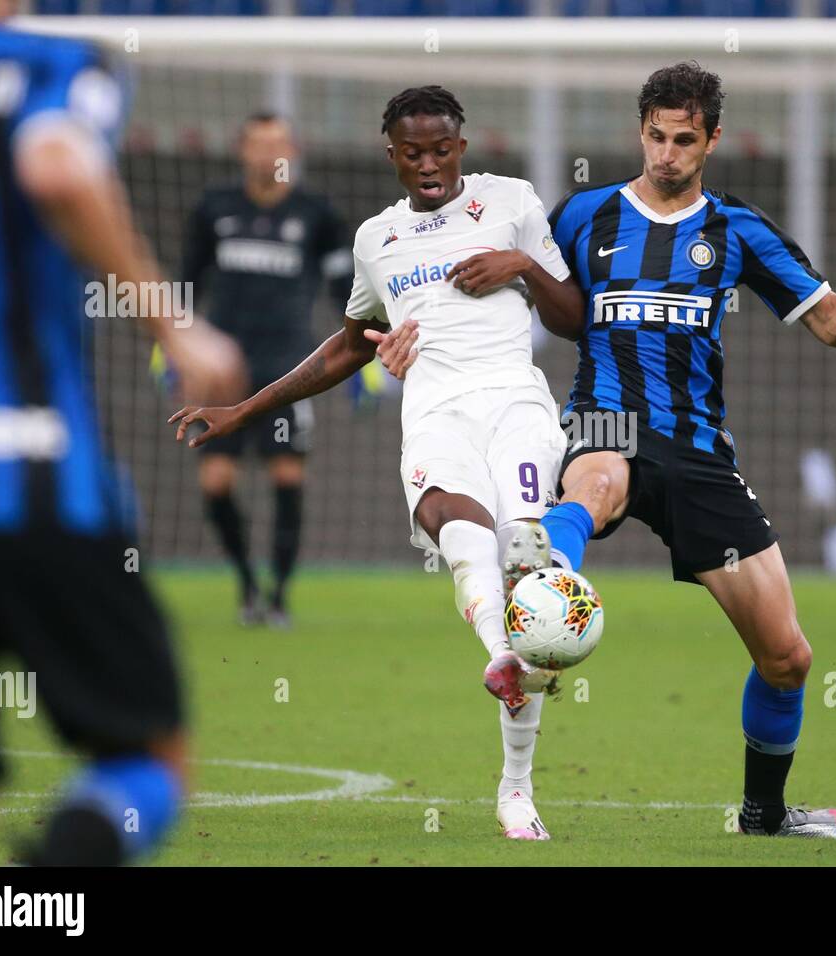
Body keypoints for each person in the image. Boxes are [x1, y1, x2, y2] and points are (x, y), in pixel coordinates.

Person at [376, 63, 836, 839]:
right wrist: (413, 336)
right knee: (594, 480)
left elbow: (834, 324)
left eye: (683, 140)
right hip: (606, 423)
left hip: (699, 453)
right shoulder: (584, 215)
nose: (666, 154)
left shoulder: (738, 230)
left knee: (788, 658)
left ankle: (763, 815)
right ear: (640, 132)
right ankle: (540, 586)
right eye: (655, 136)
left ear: (713, 140)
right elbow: (487, 267)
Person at [169, 86, 586, 841]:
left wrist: (521, 263)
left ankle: (517, 787)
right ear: (390, 154)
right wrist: (243, 408)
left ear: (463, 144)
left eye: (442, 148)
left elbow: (575, 316)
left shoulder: (512, 201)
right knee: (458, 533)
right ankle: (502, 657)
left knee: (524, 554)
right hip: (433, 411)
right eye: (413, 151)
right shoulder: (377, 240)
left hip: (514, 403)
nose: (429, 164)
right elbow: (346, 346)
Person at [0, 0, 244, 866]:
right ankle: (38, 905)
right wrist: (173, 325)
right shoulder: (47, 63)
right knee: (149, 762)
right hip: (34, 476)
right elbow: (59, 169)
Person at [181, 113, 355, 627]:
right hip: (223, 369)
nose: (269, 154)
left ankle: (277, 594)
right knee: (215, 482)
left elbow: (344, 292)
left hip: (289, 366)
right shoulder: (215, 208)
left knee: (286, 475)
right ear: (242, 150)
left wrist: (362, 362)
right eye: (259, 144)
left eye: (278, 143)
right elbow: (186, 283)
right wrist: (173, 353)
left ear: (294, 149)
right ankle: (246, 584)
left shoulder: (317, 215)